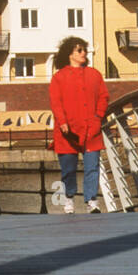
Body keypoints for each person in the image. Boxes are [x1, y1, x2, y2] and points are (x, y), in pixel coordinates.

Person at [49, 36, 109, 214]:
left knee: (92, 167)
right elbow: (56, 102)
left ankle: (92, 201)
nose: (84, 53)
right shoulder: (58, 78)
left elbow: (104, 97)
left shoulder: (94, 74)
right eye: (79, 50)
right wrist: (62, 121)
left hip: (92, 129)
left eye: (84, 50)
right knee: (68, 169)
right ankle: (69, 199)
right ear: (70, 54)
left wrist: (98, 116)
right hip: (67, 131)